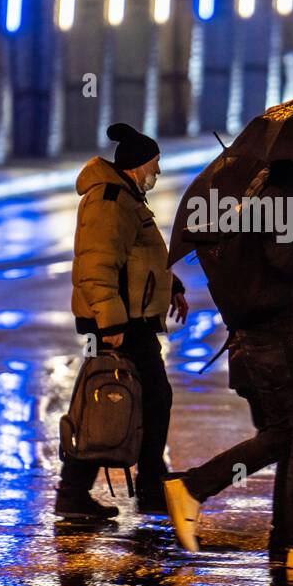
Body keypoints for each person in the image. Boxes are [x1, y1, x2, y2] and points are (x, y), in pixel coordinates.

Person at [163, 155, 293, 573]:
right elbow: (285, 260)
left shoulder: (270, 196)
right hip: (287, 336)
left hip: (269, 336)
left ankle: (289, 543)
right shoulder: (286, 197)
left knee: (289, 436)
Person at [59, 123, 188, 521]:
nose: (158, 172)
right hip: (119, 324)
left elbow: (139, 258)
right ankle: (121, 488)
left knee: (125, 402)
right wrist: (111, 325)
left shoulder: (125, 197)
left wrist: (173, 286)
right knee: (110, 405)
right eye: (155, 164)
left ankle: (141, 485)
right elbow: (97, 267)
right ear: (136, 166)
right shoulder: (111, 200)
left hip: (128, 320)